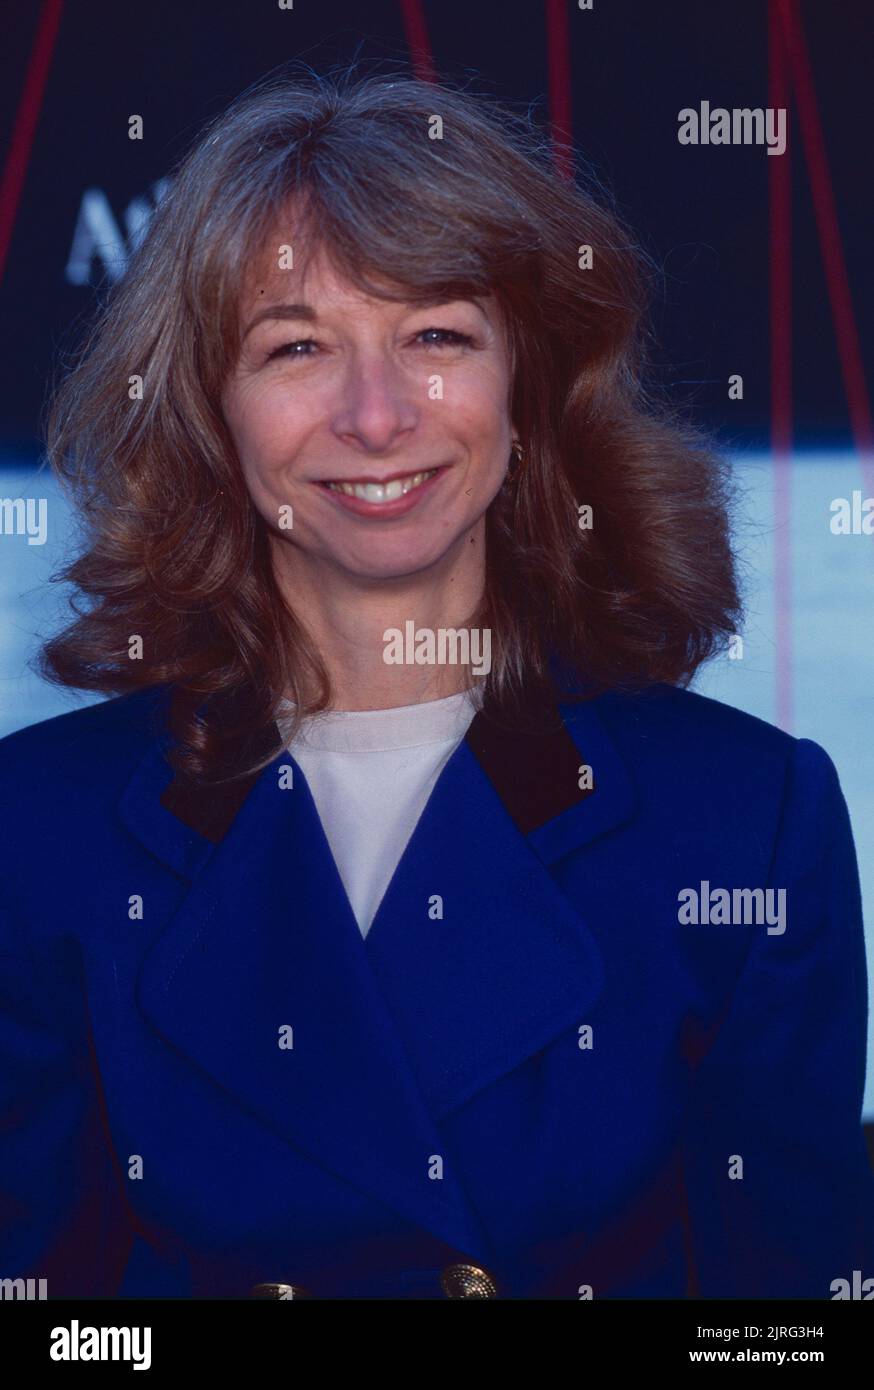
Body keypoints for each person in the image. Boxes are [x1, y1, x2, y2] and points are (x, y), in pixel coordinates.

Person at [1, 65, 872, 1300]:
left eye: (435, 336)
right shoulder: (36, 829)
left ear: (527, 386)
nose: (373, 414)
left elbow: (783, 1323)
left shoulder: (746, 822)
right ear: (210, 411)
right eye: (297, 346)